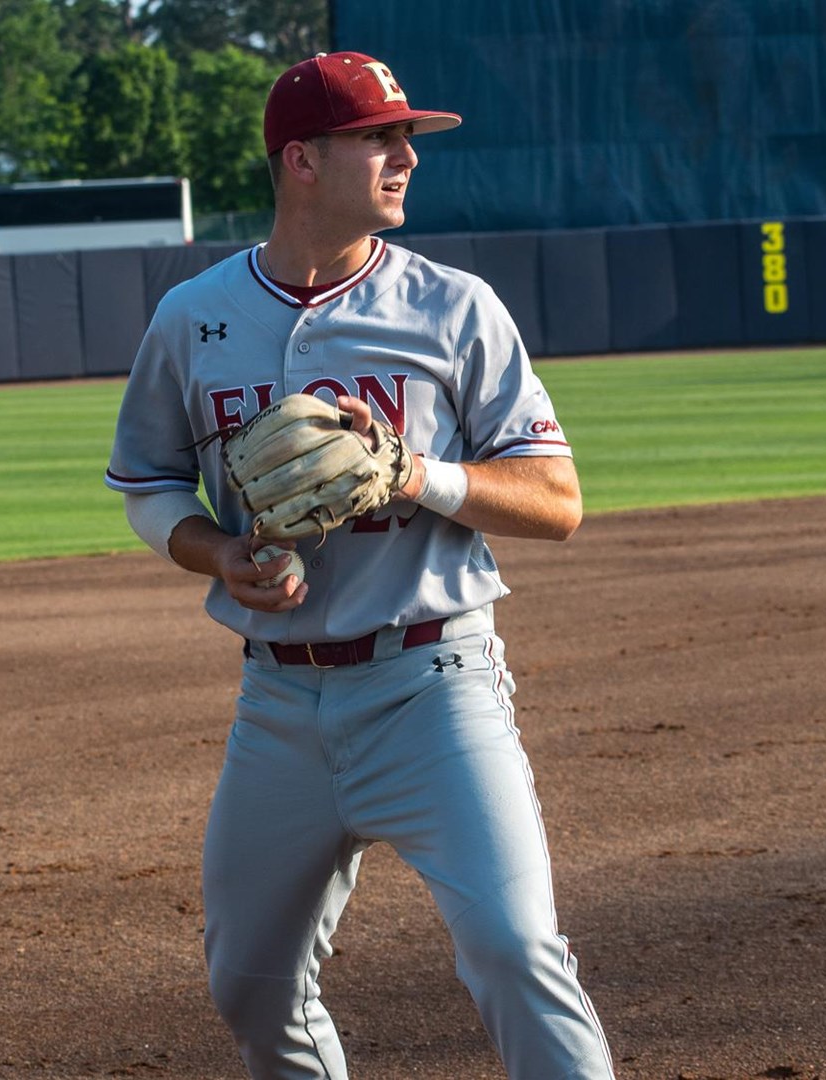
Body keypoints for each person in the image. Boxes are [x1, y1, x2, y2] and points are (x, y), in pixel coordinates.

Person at [104, 51, 614, 1079]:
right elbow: (148, 485)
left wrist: (414, 472)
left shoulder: (453, 308)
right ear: (302, 159)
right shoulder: (194, 317)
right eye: (379, 138)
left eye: (407, 138)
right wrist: (221, 555)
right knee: (249, 983)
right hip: (278, 709)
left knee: (516, 950)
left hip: (434, 690)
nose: (404, 157)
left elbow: (557, 502)